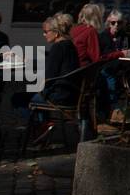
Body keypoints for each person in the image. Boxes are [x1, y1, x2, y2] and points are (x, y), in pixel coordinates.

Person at [12, 13, 82, 146]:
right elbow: (49, 62)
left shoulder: (58, 47)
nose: (44, 35)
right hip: (71, 93)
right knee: (35, 93)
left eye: (46, 32)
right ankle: (44, 127)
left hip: (58, 96)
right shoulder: (69, 45)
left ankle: (42, 126)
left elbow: (49, 76)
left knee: (18, 99)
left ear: (56, 33)